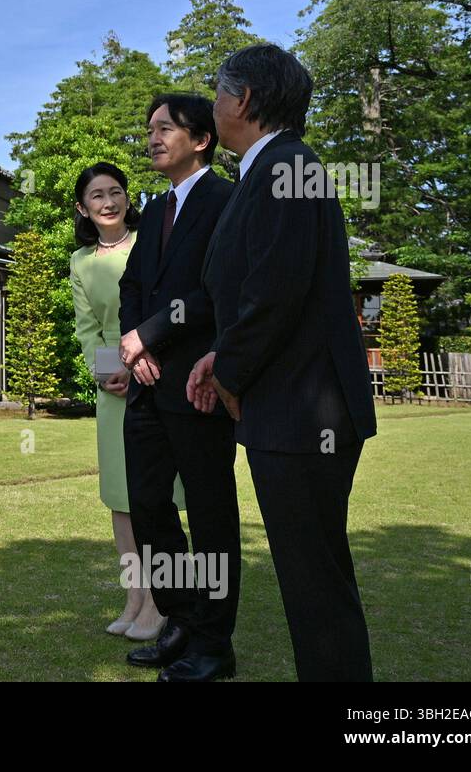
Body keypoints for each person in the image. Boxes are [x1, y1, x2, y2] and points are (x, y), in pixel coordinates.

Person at [189, 43, 377, 681]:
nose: (213, 105)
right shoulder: (270, 170)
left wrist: (230, 372)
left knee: (315, 585)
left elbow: (276, 290)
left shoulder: (287, 168)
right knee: (312, 579)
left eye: (217, 93)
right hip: (293, 408)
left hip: (303, 410)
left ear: (241, 100)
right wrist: (224, 354)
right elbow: (261, 290)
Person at [118, 94, 240, 682]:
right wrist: (132, 344)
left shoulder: (225, 201)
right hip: (146, 388)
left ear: (201, 139)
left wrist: (151, 335)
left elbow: (219, 289)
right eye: (149, 129)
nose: (152, 137)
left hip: (199, 384)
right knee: (148, 509)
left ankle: (215, 644)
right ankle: (183, 619)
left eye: (165, 128)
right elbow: (133, 288)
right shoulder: (155, 208)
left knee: (212, 514)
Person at [69, 163, 184, 642]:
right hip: (112, 387)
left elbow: (169, 306)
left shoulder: (151, 241)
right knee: (121, 500)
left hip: (157, 371)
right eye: (97, 195)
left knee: (158, 495)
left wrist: (143, 357)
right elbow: (86, 328)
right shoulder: (81, 261)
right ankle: (134, 596)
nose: (108, 202)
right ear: (83, 208)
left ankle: (162, 602)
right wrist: (105, 373)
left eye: (115, 192)